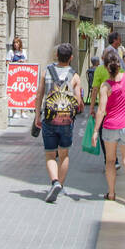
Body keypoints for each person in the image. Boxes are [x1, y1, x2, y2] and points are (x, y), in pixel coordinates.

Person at [33, 43, 83, 203]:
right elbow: (79, 102)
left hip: (49, 118)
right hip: (67, 120)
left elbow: (39, 94)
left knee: (50, 154)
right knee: (64, 154)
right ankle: (60, 185)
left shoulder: (46, 72)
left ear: (56, 56)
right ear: (71, 58)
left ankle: (54, 182)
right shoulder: (75, 76)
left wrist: (37, 116)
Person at [93, 46, 125, 207]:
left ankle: (111, 193)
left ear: (106, 67)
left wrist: (95, 131)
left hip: (110, 128)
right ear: (118, 65)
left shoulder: (105, 86)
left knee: (110, 161)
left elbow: (101, 110)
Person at [91, 31, 125, 173]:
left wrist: (92, 109)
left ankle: (111, 161)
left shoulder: (100, 70)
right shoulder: (113, 59)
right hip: (117, 108)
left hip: (108, 108)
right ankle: (119, 164)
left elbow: (94, 91)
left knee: (107, 138)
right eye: (120, 38)